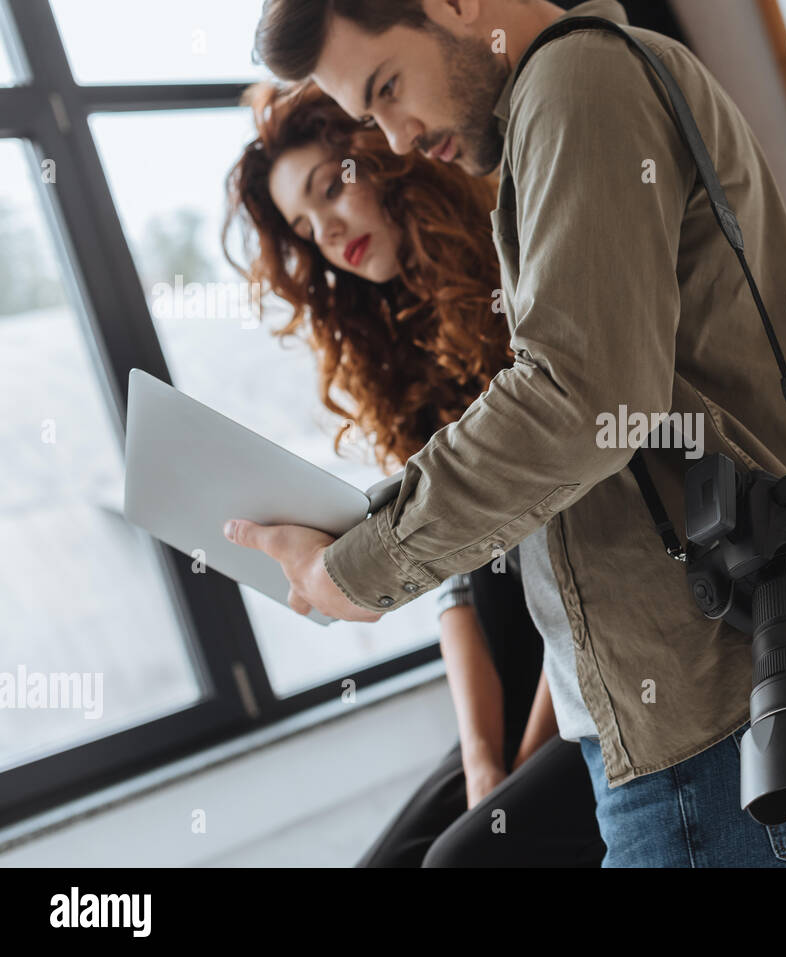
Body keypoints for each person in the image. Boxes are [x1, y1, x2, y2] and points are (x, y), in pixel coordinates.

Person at [230, 0, 786, 867]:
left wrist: (356, 567)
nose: (401, 138)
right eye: (371, 117)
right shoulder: (578, 89)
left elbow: (579, 401)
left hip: (708, 708)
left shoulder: (576, 83)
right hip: (758, 680)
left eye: (389, 88)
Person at [222, 81, 604, 866]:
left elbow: (585, 542)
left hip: (602, 651)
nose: (326, 230)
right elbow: (461, 585)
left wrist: (525, 757)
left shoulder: (522, 283)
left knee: (463, 860)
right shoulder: (403, 349)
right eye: (303, 226)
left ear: (386, 161)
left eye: (332, 188)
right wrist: (480, 757)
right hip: (516, 676)